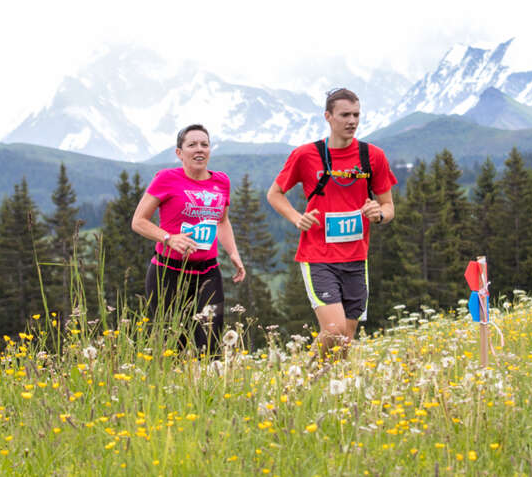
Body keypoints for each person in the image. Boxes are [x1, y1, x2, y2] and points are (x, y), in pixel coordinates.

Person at [267, 88, 397, 361]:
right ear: (328, 116)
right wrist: (296, 217)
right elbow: (274, 194)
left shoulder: (373, 156)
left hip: (356, 258)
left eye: (356, 115)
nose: (352, 121)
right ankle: (299, 380)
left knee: (345, 340)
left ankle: (321, 388)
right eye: (344, 115)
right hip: (318, 256)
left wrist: (379, 214)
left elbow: (388, 207)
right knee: (335, 330)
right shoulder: (305, 155)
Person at [131, 124, 246, 354]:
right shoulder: (166, 179)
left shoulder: (221, 181)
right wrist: (168, 238)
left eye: (204, 144)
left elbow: (222, 221)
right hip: (168, 272)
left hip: (208, 271)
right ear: (179, 152)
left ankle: (210, 388)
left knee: (212, 345)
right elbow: (138, 221)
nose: (199, 149)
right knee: (173, 346)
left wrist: (233, 253)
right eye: (192, 145)